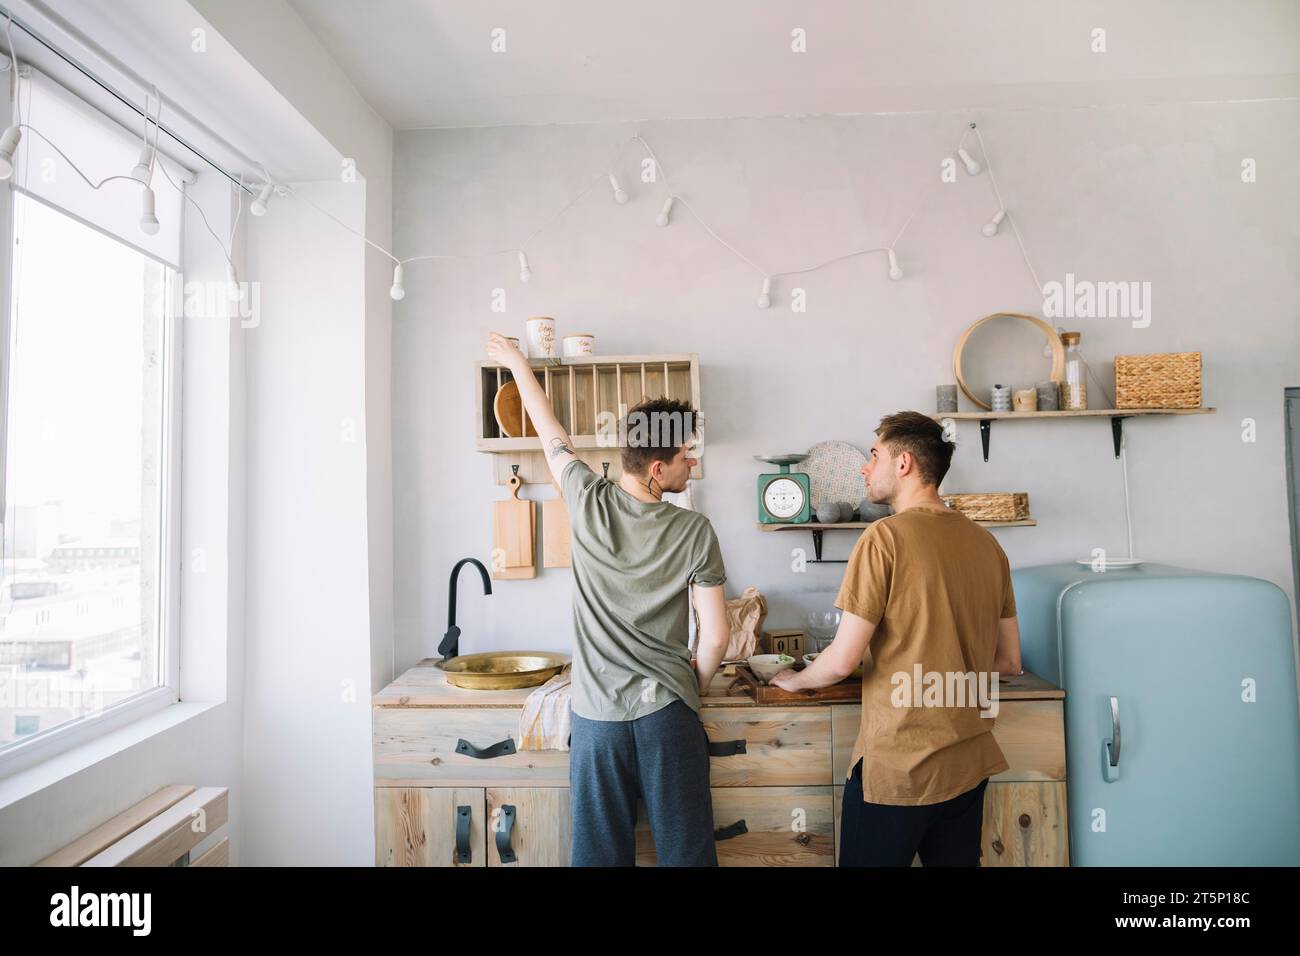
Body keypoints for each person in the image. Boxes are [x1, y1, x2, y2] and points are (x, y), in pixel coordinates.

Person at [484, 332, 732, 866]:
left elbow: (551, 434)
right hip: (668, 715)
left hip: (597, 722)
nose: (693, 463)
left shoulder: (584, 499)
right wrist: (696, 688)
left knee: (599, 857)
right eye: (686, 454)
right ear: (657, 469)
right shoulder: (695, 531)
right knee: (687, 855)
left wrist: (516, 363)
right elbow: (715, 635)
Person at [771, 411, 1023, 866]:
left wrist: (796, 680)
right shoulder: (988, 544)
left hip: (900, 769)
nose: (864, 468)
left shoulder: (883, 538)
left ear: (903, 463)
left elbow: (841, 661)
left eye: (873, 456)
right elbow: (1008, 661)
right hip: (967, 764)